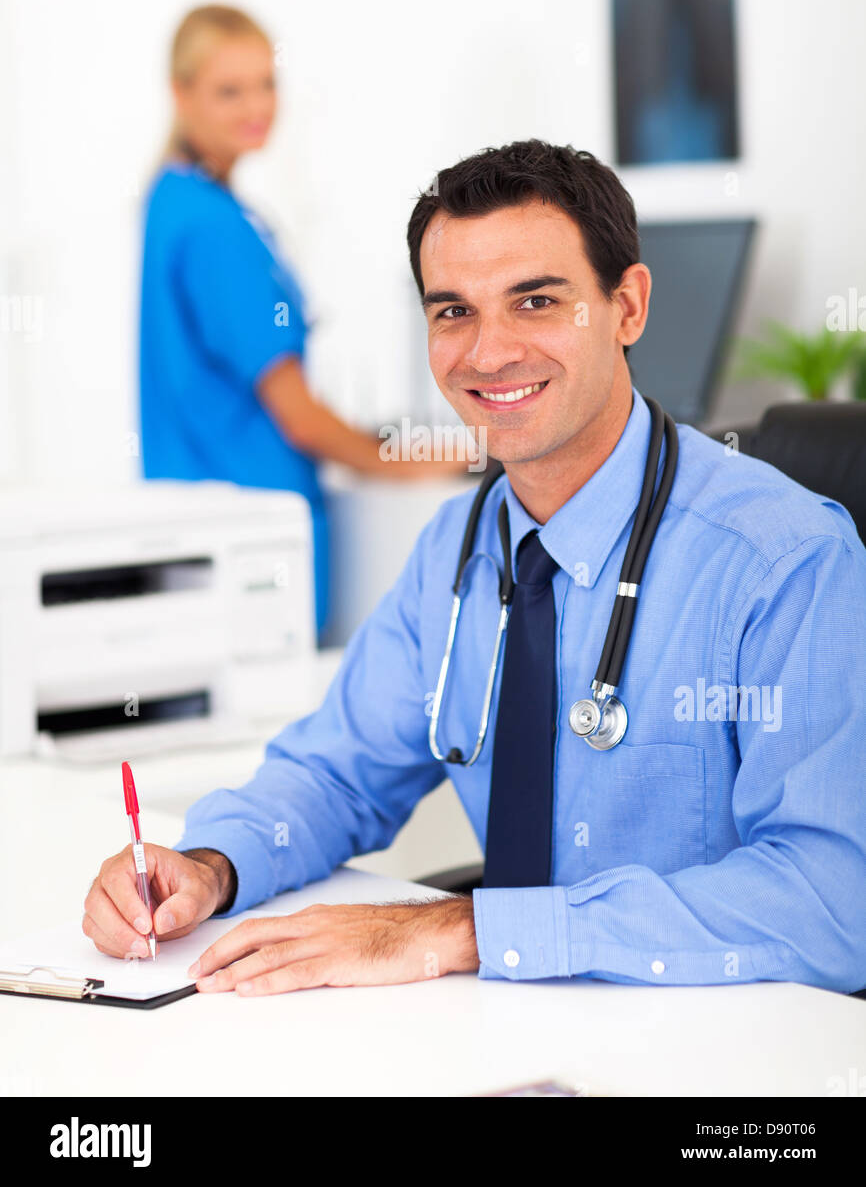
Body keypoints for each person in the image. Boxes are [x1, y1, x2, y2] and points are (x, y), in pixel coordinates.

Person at [90, 140, 866, 996]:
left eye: (535, 301)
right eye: (453, 311)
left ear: (628, 306)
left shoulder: (781, 562)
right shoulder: (458, 550)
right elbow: (334, 773)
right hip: (508, 1035)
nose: (488, 353)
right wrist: (208, 865)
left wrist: (468, 927)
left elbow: (832, 904)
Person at [139, 4, 460, 638]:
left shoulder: (174, 201)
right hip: (252, 549)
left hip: (202, 541)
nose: (255, 106)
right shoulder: (212, 228)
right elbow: (299, 415)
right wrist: (426, 462)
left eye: (266, 83)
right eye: (229, 90)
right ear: (181, 94)